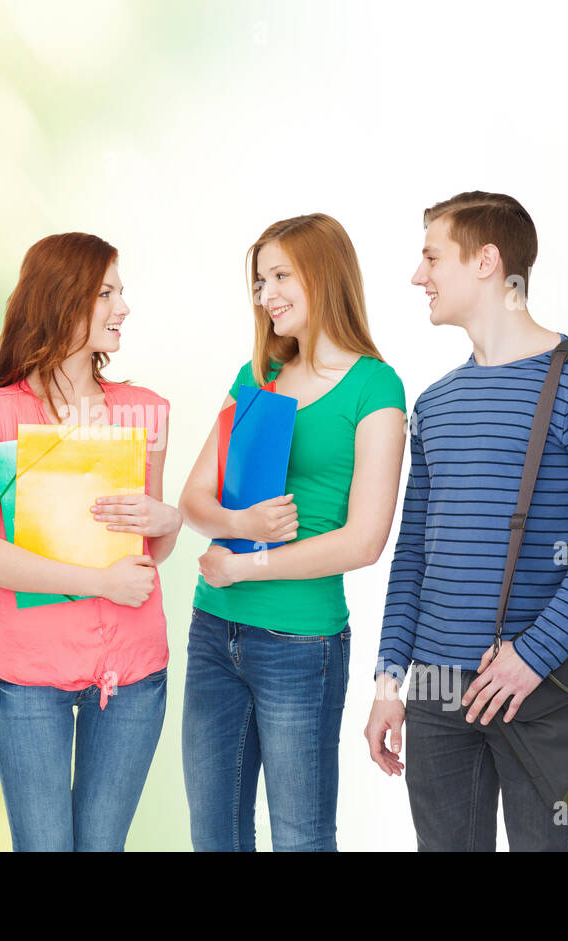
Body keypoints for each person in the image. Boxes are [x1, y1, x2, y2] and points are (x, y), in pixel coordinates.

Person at [365, 191, 568, 852]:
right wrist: (388, 680)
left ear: (487, 260)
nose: (417, 275)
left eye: (432, 256)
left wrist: (533, 656)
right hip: (434, 697)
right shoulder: (433, 404)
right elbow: (413, 554)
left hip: (539, 689)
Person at [178, 213, 407, 851]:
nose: (266, 294)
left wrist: (245, 563)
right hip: (213, 631)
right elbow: (194, 497)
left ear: (324, 275)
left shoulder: (376, 388)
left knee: (301, 838)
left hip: (301, 644)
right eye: (259, 280)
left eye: (280, 275)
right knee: (214, 836)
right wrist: (238, 525)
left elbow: (365, 540)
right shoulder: (257, 375)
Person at [0, 232, 179, 851]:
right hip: (30, 673)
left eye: (121, 292)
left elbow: (148, 550)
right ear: (62, 300)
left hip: (132, 669)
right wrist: (99, 583)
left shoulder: (144, 411)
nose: (123, 308)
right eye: (107, 293)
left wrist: (169, 523)